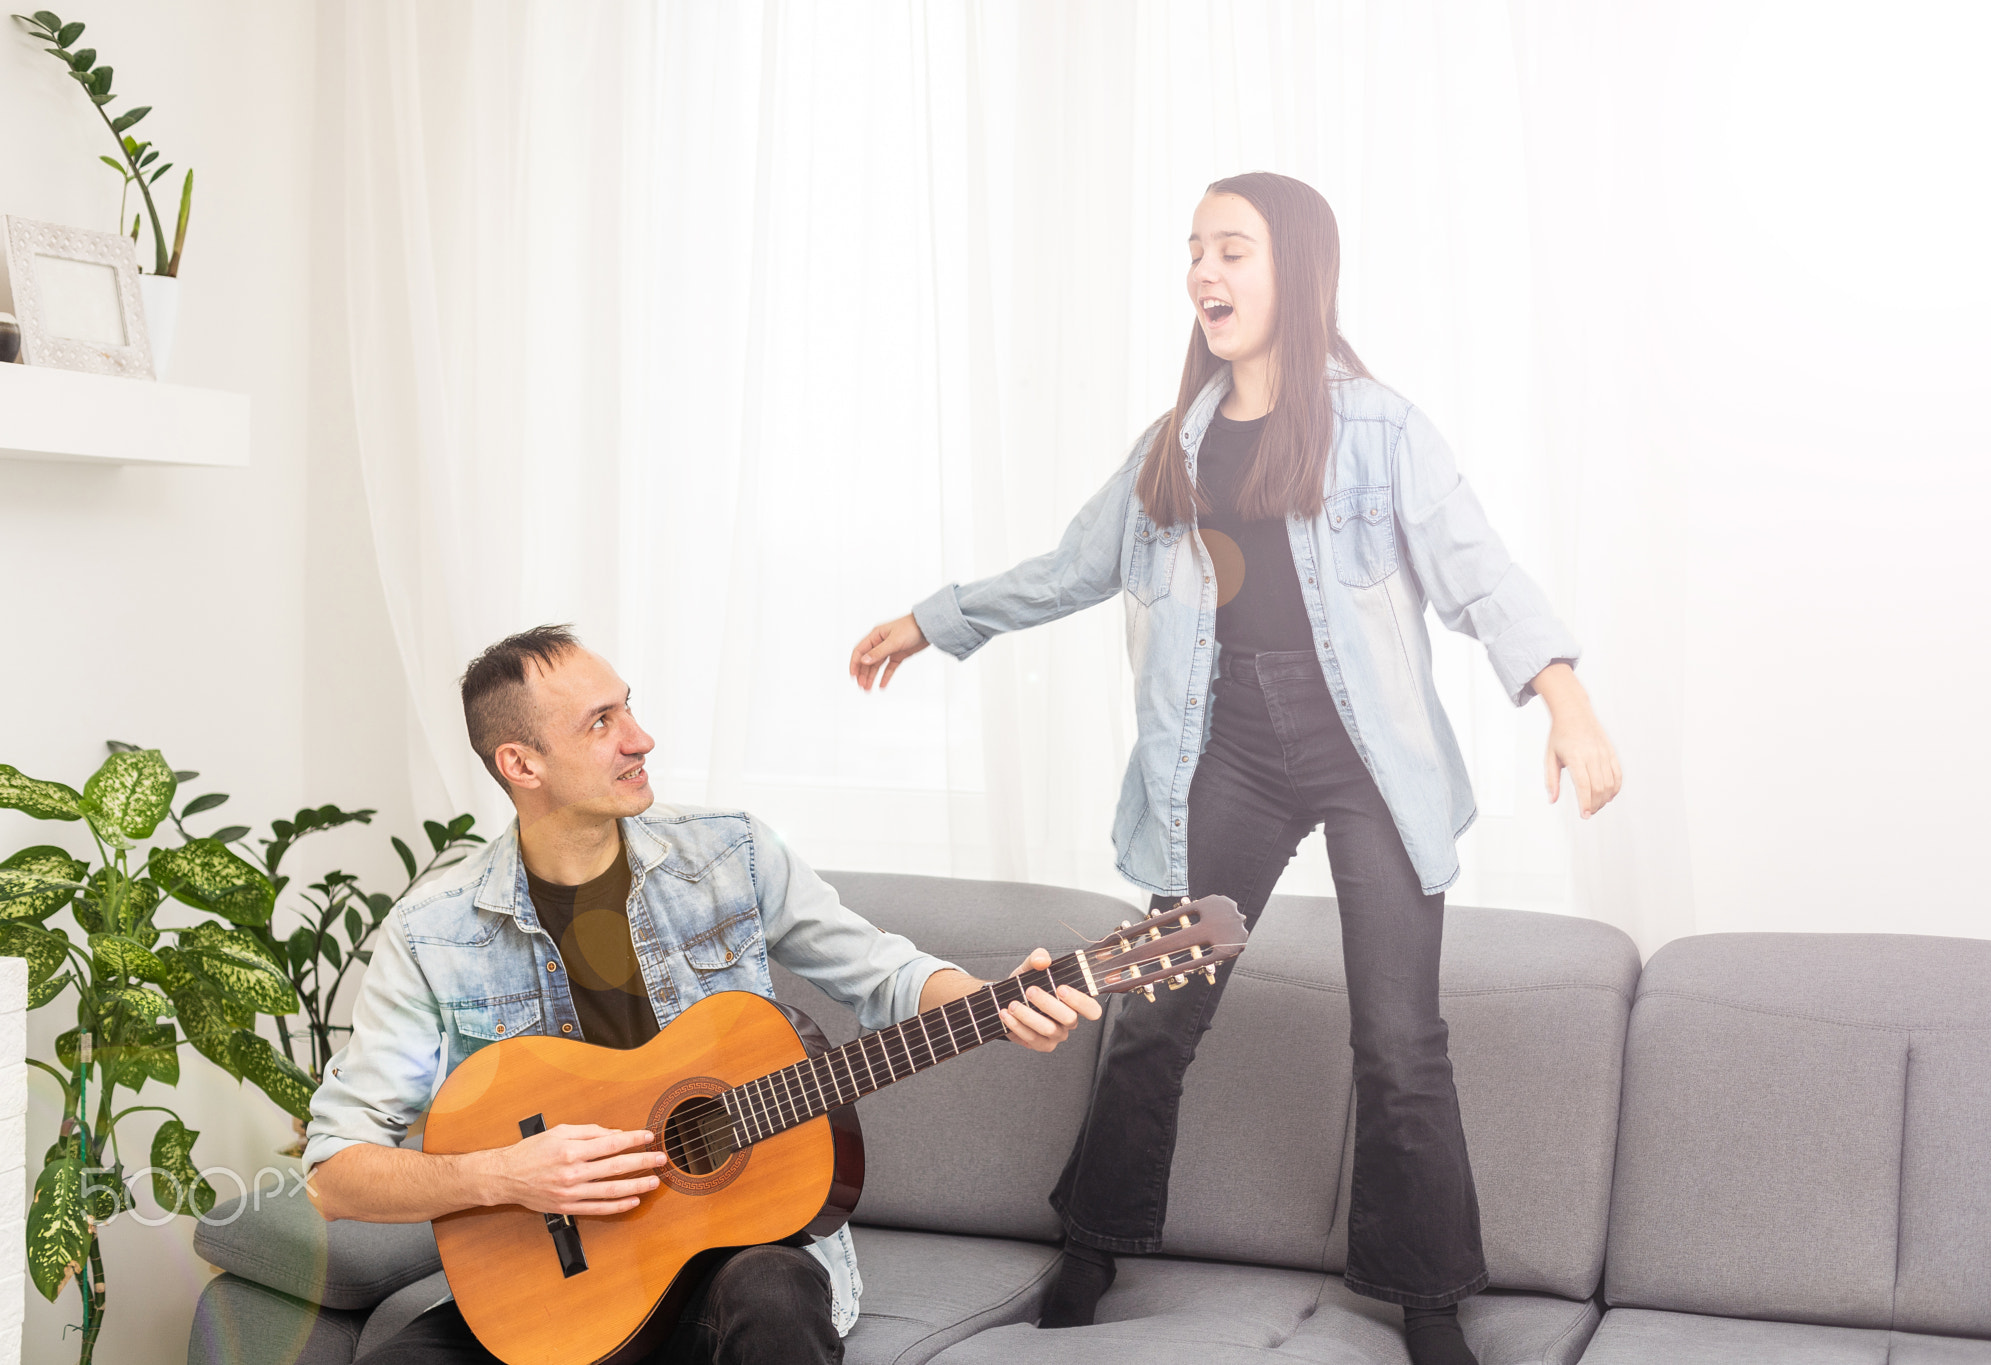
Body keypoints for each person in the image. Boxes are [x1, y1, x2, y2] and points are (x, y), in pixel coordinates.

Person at [846, 172, 1620, 1365]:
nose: (1204, 274)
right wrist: (933, 621)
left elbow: (1479, 575)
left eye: (1232, 252)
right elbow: (1069, 568)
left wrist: (1562, 702)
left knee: (1398, 1039)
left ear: (1295, 272)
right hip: (1228, 757)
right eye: (1194, 253)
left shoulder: (1379, 430)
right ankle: (1091, 1244)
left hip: (1367, 761)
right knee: (1154, 1012)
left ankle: (1427, 1303)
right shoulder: (1174, 447)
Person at [305, 625, 1100, 1364]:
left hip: (734, 1275)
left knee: (772, 1293)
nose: (639, 738)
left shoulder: (733, 851)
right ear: (522, 764)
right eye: (600, 722)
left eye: (630, 707)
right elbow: (335, 1171)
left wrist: (991, 999)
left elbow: (882, 971)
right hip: (554, 1298)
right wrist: (507, 1175)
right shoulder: (431, 932)